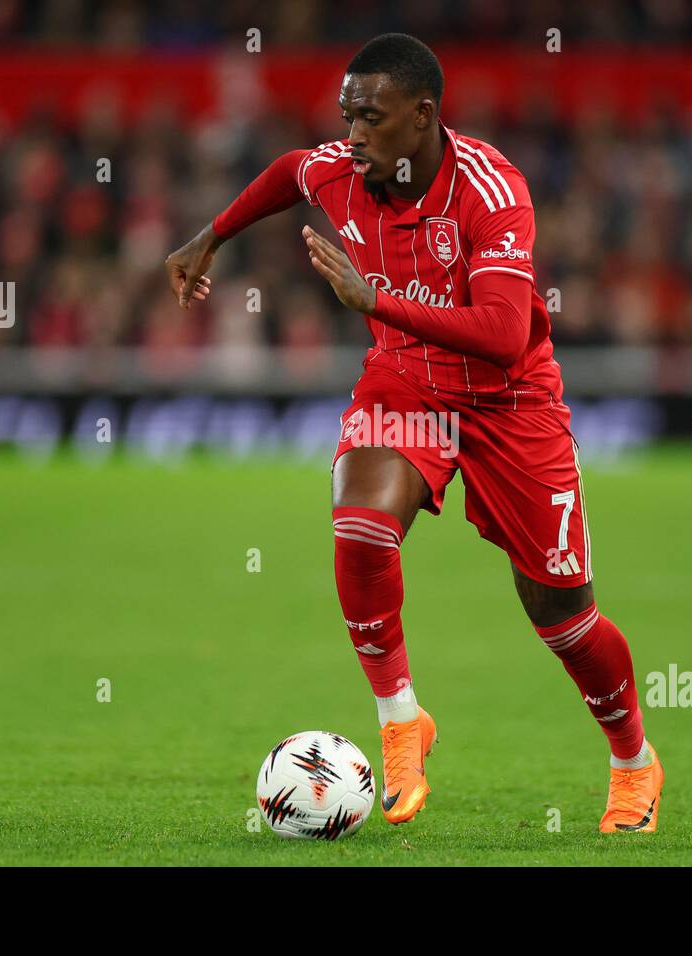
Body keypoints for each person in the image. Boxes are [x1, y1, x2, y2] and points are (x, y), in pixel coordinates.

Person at [165, 33, 663, 832]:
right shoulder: (341, 168)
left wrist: (373, 303)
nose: (352, 134)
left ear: (424, 115)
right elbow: (291, 170)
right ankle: (401, 721)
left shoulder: (491, 192)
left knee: (563, 619)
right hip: (405, 383)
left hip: (509, 404)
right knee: (359, 520)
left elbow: (503, 333)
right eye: (346, 116)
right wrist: (211, 235)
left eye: (371, 117)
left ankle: (633, 761)